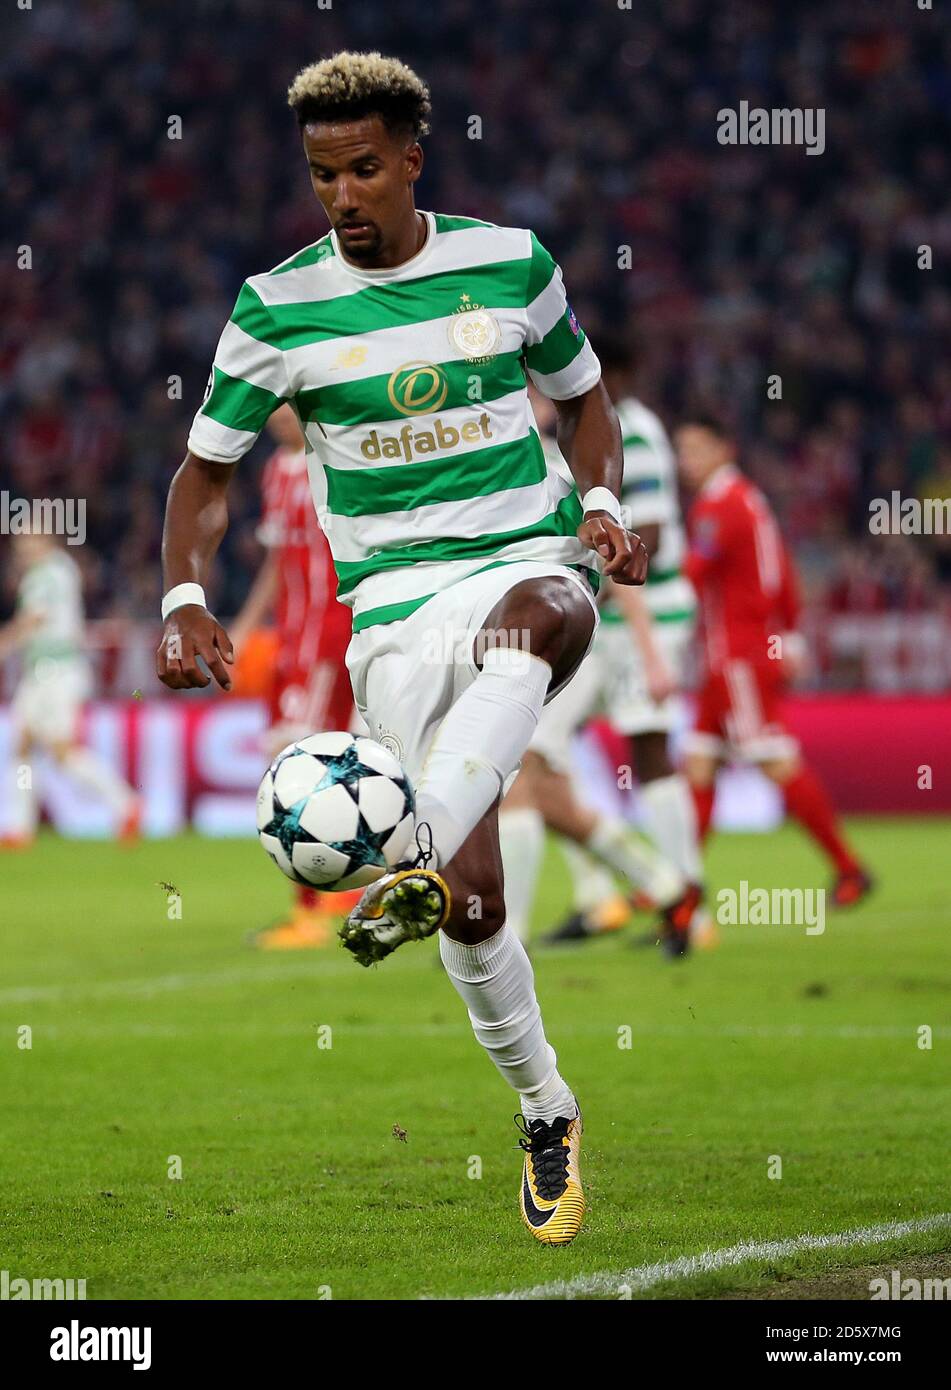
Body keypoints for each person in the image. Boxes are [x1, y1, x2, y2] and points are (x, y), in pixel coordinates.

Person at [155, 50, 649, 1246]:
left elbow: (583, 400)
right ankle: (546, 1107)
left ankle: (408, 842)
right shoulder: (275, 308)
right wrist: (181, 592)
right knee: (475, 906)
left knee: (545, 617)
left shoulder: (511, 263)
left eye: (364, 168)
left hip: (525, 555)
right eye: (323, 174)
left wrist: (601, 503)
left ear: (413, 158)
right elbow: (204, 476)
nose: (342, 195)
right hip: (393, 615)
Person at [500, 377, 704, 957]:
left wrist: (647, 650)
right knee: (541, 785)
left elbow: (613, 562)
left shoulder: (560, 471)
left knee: (518, 773)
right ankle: (663, 889)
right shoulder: (518, 465)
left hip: (567, 643)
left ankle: (508, 939)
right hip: (534, 644)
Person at [676, 413, 873, 906]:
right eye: (682, 451)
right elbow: (782, 571)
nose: (687, 462)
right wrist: (788, 635)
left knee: (773, 759)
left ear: (726, 449)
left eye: (697, 449)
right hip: (739, 651)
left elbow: (692, 575)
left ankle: (850, 869)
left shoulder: (719, 506)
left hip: (736, 655)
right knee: (700, 763)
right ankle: (682, 891)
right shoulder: (750, 499)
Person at [230, 404, 359, 949]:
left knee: (302, 768)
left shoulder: (335, 458)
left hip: (329, 639)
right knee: (317, 764)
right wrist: (244, 625)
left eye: (286, 401)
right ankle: (345, 886)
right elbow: (278, 563)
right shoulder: (275, 471)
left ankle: (311, 907)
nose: (278, 414)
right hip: (291, 642)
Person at [0, 534, 141, 846]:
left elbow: (32, 620)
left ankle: (126, 803)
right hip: (44, 670)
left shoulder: (43, 574)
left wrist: (4, 644)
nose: (22, 551)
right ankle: (18, 828)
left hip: (55, 671)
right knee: (21, 746)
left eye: (27, 543)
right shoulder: (64, 569)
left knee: (63, 752)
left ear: (44, 540)